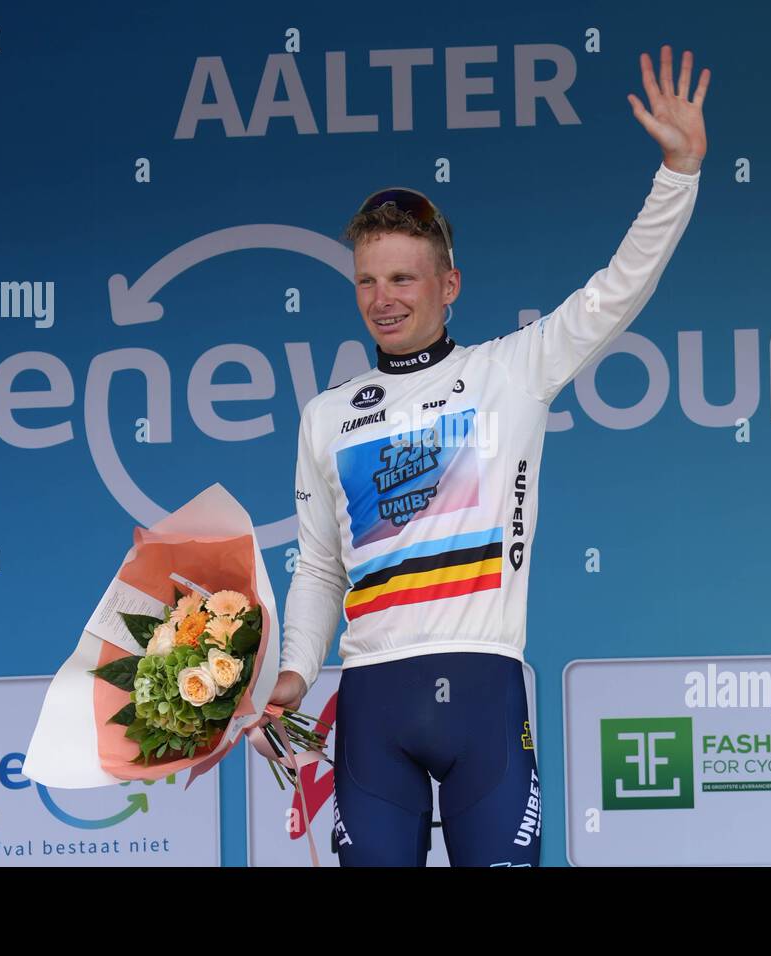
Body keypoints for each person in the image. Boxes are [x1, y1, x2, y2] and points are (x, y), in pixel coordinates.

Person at [270, 45, 710, 866]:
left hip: (484, 691)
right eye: (367, 281)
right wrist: (293, 676)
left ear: (449, 286)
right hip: (370, 703)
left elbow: (618, 289)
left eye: (403, 279)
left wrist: (678, 173)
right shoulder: (327, 416)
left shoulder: (512, 371)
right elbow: (321, 568)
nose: (383, 300)